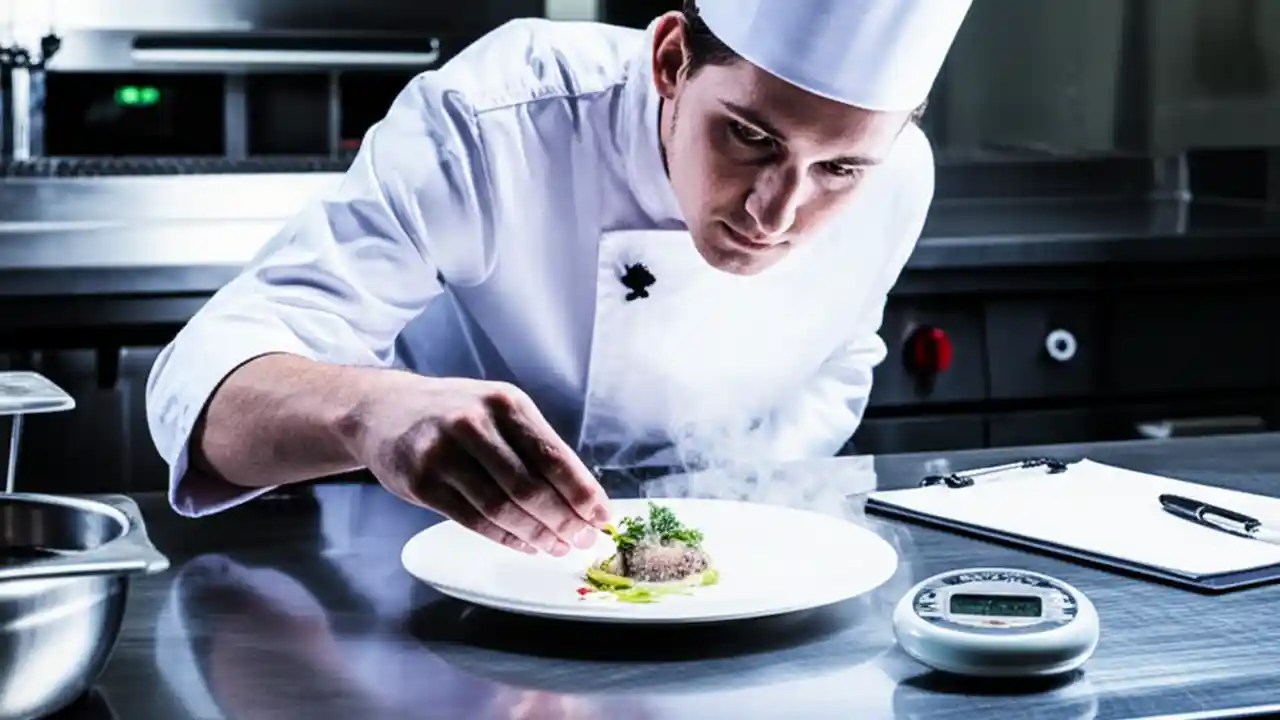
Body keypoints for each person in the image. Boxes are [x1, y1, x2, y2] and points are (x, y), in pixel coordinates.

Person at [145, 0, 972, 557]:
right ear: (672, 58)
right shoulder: (498, 119)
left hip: (713, 597)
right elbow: (203, 379)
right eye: (750, 137)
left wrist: (703, 521)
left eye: (838, 170)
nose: (776, 210)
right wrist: (370, 411)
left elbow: (836, 362)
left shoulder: (899, 178)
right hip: (422, 578)